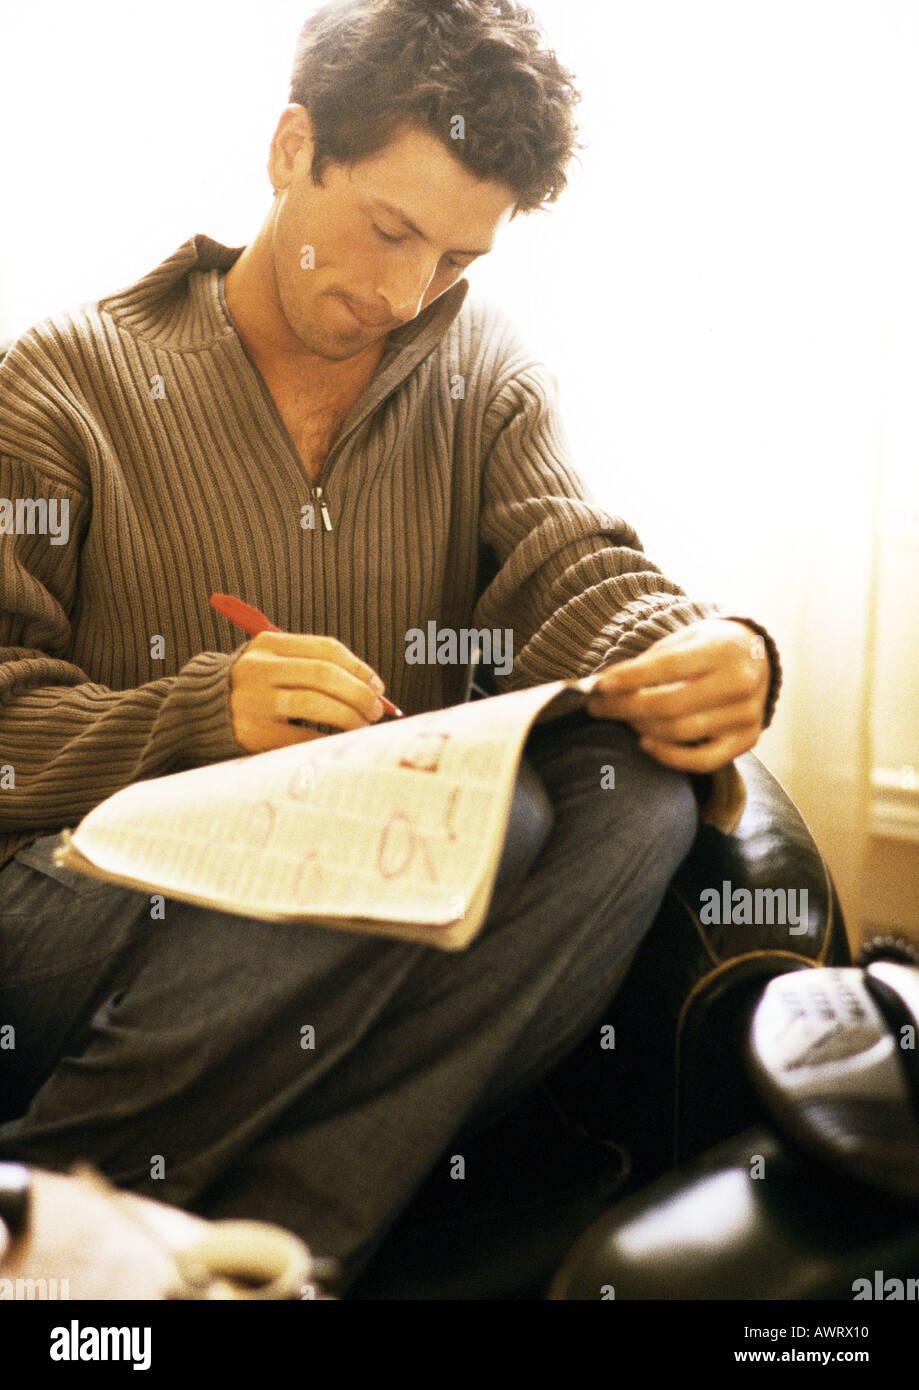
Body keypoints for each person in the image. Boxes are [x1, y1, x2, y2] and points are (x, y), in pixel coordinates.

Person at [0, 0, 779, 1292]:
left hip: (371, 889)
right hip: (79, 894)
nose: (408, 294)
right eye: (391, 231)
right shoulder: (60, 379)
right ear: (293, 148)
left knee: (628, 797)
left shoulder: (483, 371)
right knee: (477, 835)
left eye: (458, 258)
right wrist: (201, 717)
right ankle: (51, 1222)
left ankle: (286, 1246)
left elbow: (574, 567)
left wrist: (705, 648)